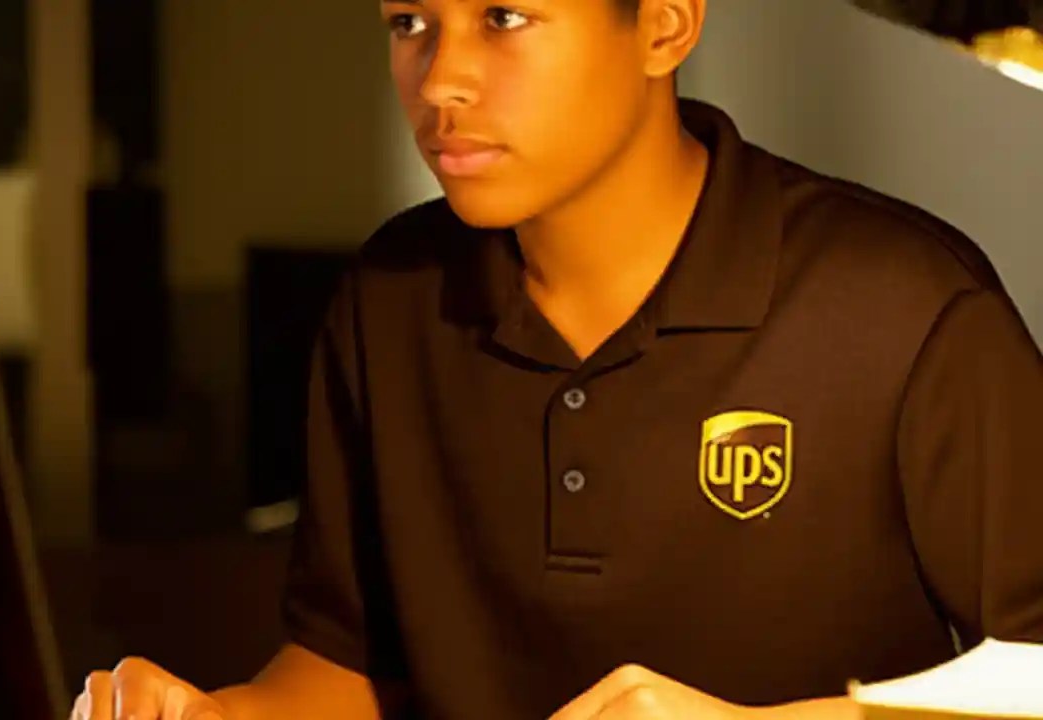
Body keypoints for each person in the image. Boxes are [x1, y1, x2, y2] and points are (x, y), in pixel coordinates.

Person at [75, 0, 1043, 717]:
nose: (440, 78)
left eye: (502, 17)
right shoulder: (389, 300)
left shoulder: (903, 304)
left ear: (664, 24)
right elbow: (348, 661)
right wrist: (219, 714)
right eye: (409, 22)